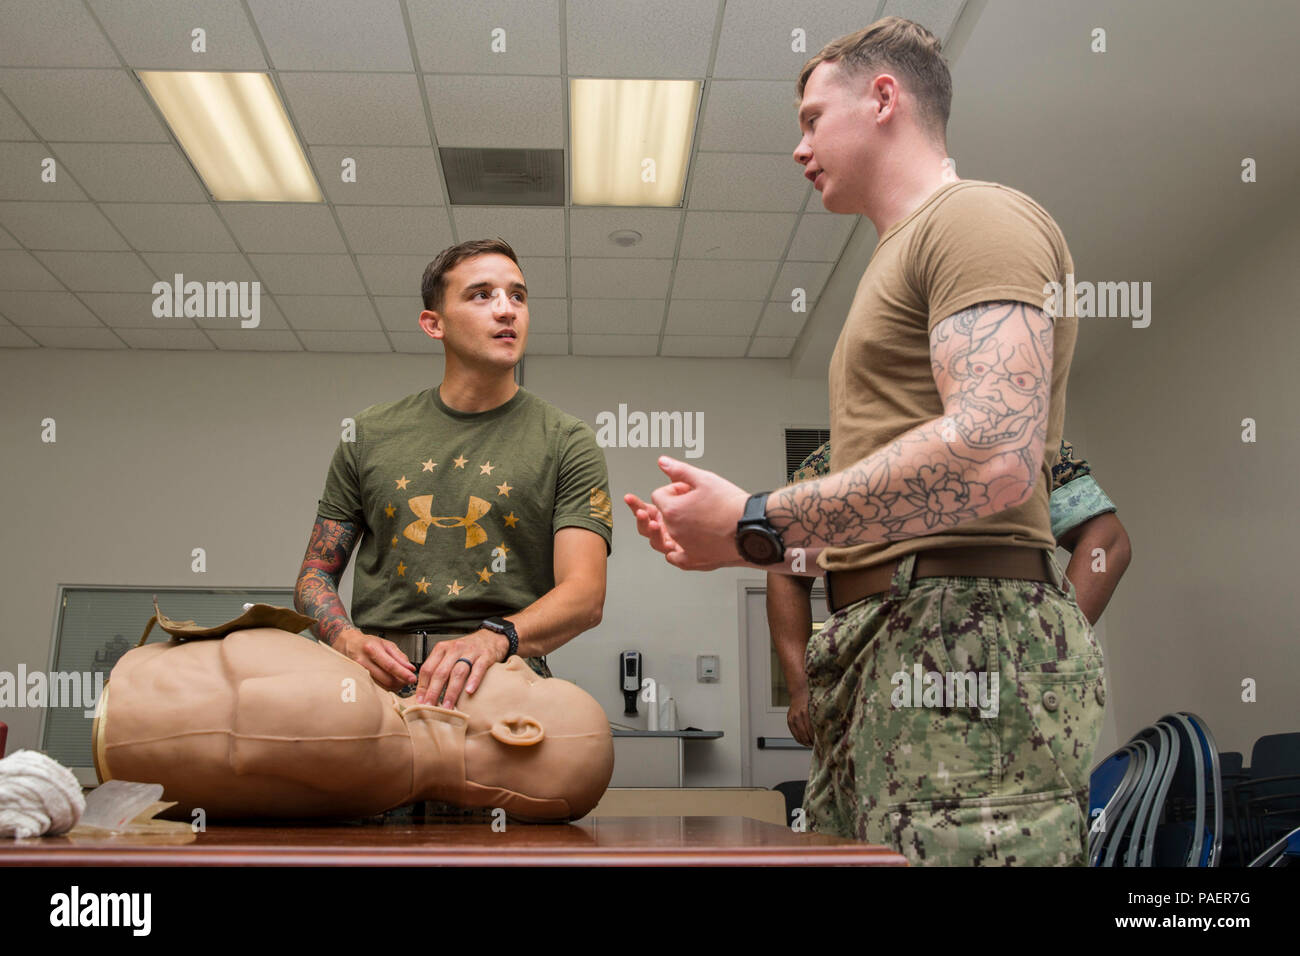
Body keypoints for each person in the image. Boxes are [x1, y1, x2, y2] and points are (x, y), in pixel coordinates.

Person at [625, 17, 1103, 865]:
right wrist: (744, 539)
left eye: (812, 118)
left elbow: (994, 459)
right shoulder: (890, 259)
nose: (799, 147)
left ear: (884, 98)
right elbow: (892, 505)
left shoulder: (976, 219)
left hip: (961, 632)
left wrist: (759, 517)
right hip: (881, 640)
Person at [295, 238, 612, 711]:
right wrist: (346, 640)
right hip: (379, 682)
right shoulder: (367, 434)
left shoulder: (567, 440)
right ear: (433, 323)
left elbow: (585, 595)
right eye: (481, 294)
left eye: (518, 296)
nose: (507, 310)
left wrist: (493, 639)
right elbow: (314, 576)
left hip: (500, 676)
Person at [94, 605, 614, 822]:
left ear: (518, 730)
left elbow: (245, 708)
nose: (515, 664)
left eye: (527, 680)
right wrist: (339, 640)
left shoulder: (359, 723)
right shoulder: (380, 767)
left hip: (128, 711)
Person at [770, 438, 1131, 749]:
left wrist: (1055, 649)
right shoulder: (836, 457)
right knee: (853, 827)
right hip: (870, 682)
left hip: (996, 677)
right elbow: (787, 569)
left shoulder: (1020, 438)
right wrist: (801, 686)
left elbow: (1105, 544)